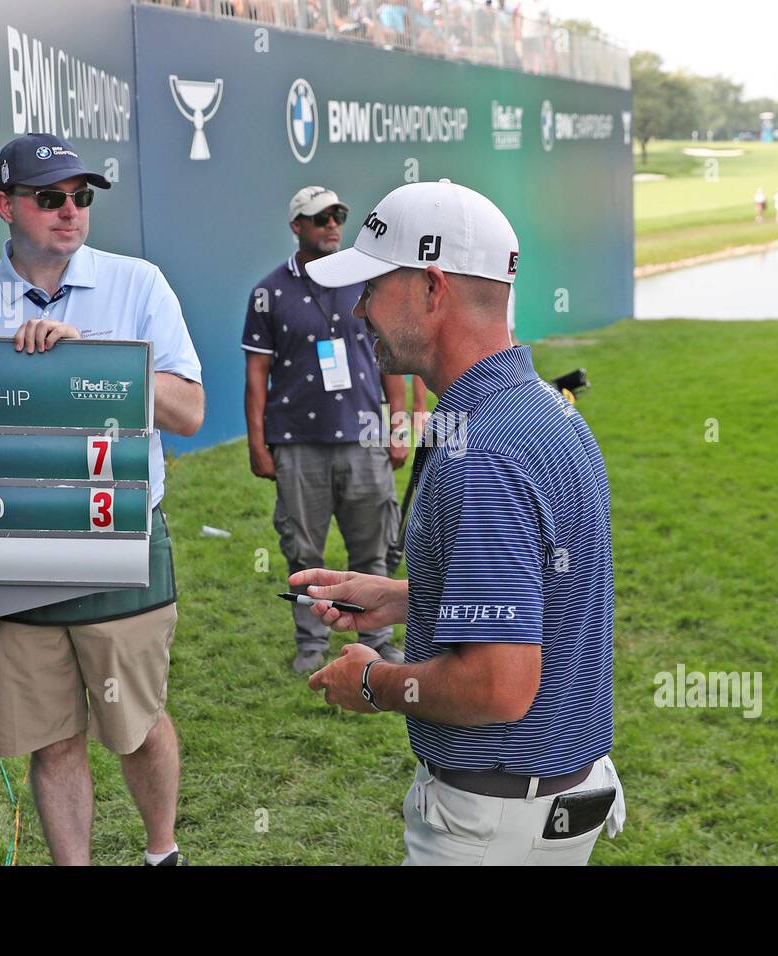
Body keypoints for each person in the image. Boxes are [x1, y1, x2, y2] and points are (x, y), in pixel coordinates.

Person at [294, 180, 624, 866]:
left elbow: (498, 687)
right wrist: (405, 597)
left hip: (492, 824)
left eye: (372, 288)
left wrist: (371, 683)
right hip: (552, 801)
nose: (358, 310)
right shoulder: (543, 408)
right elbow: (547, 595)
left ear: (432, 289)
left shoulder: (486, 452)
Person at [0, 133, 205, 866]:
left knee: (137, 724)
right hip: (17, 555)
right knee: (53, 738)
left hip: (120, 539)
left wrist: (92, 367)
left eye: (81, 198)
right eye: (49, 198)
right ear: (5, 206)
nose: (70, 212)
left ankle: (161, 853)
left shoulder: (139, 285)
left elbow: (188, 411)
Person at [242, 186, 409, 674]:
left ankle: (378, 638)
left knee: (373, 548)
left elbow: (390, 357)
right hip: (297, 444)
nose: (332, 224)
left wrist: (398, 427)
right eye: (320, 218)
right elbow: (257, 374)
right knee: (303, 551)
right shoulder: (268, 292)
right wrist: (258, 443)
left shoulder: (365, 282)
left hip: (364, 439)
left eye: (338, 215)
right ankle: (310, 644)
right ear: (297, 226)